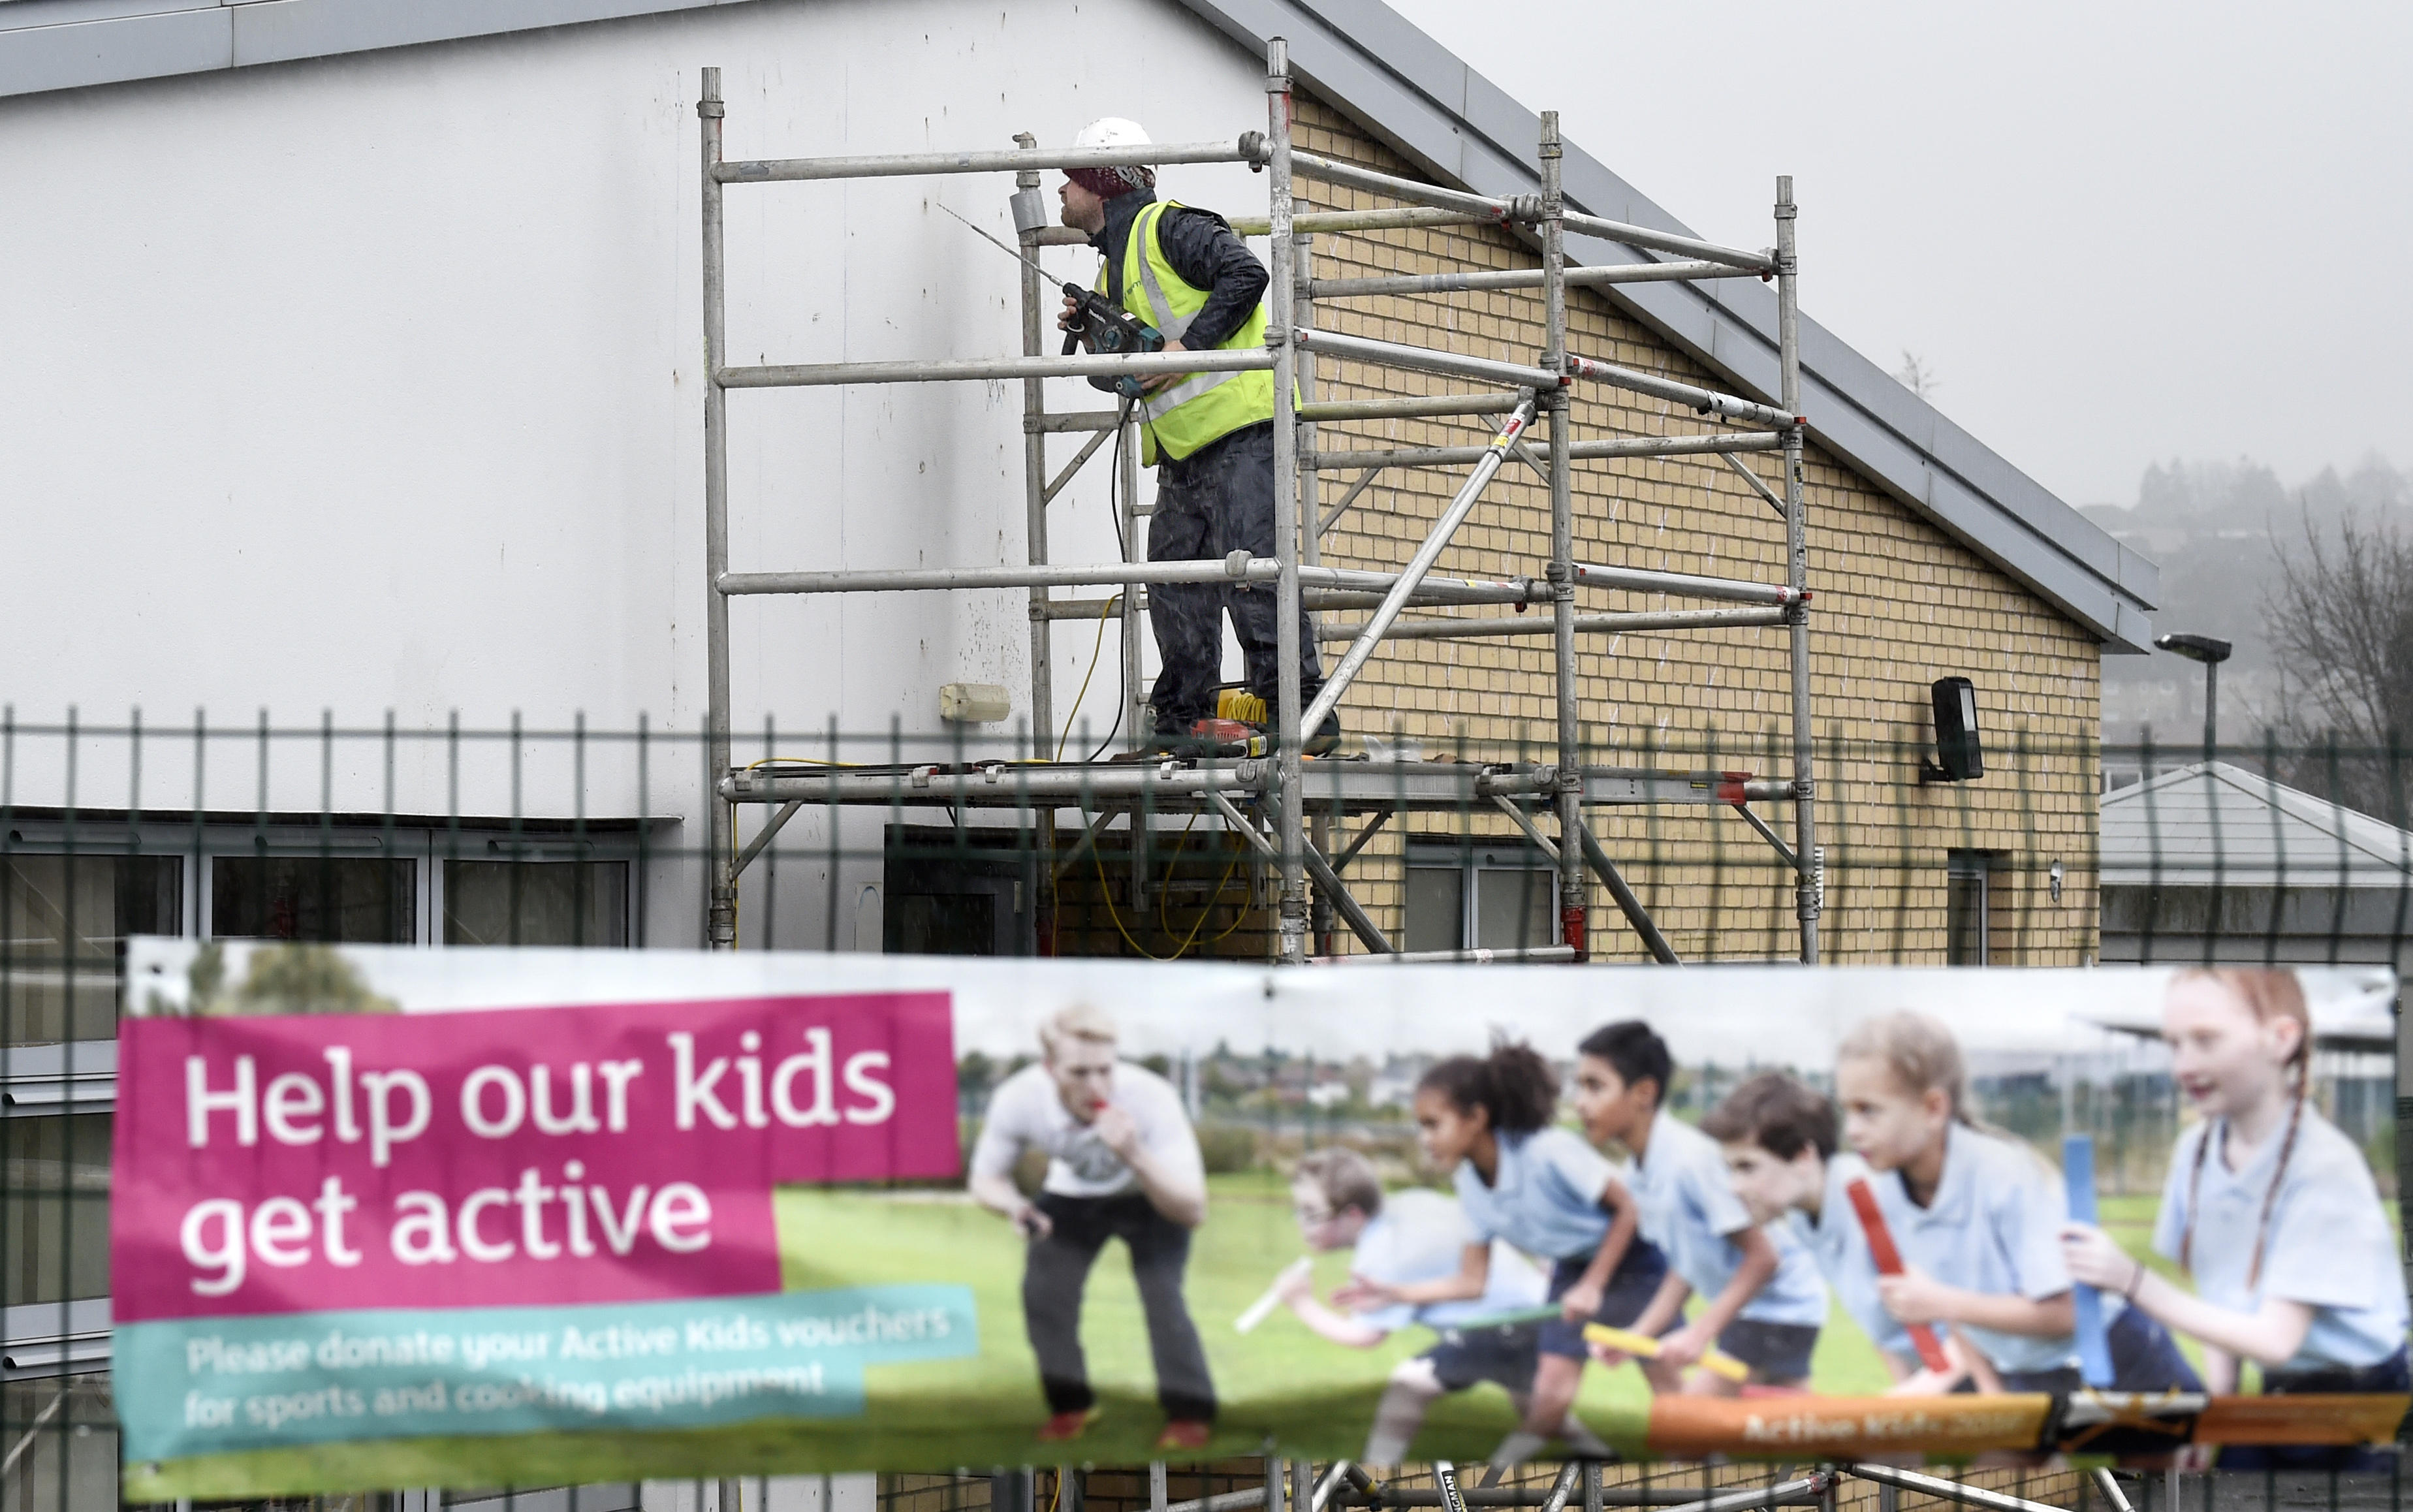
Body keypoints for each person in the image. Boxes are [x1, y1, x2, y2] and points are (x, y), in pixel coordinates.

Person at [1053, 117, 1334, 755]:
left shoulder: (1168, 228)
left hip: (1243, 432)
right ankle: (1182, 722)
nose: (1060, 190)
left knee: (1251, 574)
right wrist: (1097, 336)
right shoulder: (1111, 274)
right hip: (1187, 451)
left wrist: (1185, 349)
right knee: (1176, 577)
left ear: (1100, 183)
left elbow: (1246, 274)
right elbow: (1125, 382)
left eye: (1070, 177)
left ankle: (1304, 716)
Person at [2060, 969, 2408, 1471]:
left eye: (2205, 1039)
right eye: (2175, 1044)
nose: (2184, 1065)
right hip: (2278, 1396)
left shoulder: (2324, 1170)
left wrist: (2130, 1279)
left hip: (2366, 1411)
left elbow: (2274, 1339)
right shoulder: (2195, 1152)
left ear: (2282, 1039)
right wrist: (2215, 1406)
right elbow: (2221, 1294)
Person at [1835, 1011, 2198, 1398]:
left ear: (1933, 1109)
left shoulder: (2004, 1175)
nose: (1851, 1129)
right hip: (2027, 1372)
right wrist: (1992, 1392)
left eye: (1868, 1110)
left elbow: (2068, 1311)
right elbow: (1956, 1302)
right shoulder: (1885, 1189)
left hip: (2120, 1359)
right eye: (1847, 1110)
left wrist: (1938, 1301)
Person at [1337, 1039, 1658, 1466]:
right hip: (1574, 1272)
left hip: (1643, 1257)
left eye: (1433, 1124)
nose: (1424, 1138)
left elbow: (1629, 1209)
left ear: (1475, 1118)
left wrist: (1596, 1285)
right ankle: (1500, 1482)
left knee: (1673, 1388)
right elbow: (1471, 1282)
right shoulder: (1471, 1185)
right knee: (1548, 1406)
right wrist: (1395, 1294)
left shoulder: (1548, 1151)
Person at [966, 1002, 1215, 1451]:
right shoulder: (1019, 1098)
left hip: (1148, 1193)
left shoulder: (1151, 1097)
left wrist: (1135, 1153)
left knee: (1163, 1295)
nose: (1096, 1085)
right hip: (1072, 1195)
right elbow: (985, 1179)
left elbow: (1193, 1210)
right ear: (1050, 1068)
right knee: (1043, 1295)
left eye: (1105, 1069)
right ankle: (1071, 1406)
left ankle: (1189, 1415)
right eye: (1079, 1073)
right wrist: (1015, 1207)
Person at [1573, 1023, 1828, 1395]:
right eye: (1579, 1087)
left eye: (1595, 1086)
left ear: (1644, 1093)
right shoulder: (1638, 1173)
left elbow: (1763, 1257)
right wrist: (1636, 1336)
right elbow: (1687, 1264)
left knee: (1687, 1427)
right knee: (1793, 1428)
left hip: (1777, 1309)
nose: (1580, 1102)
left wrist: (1699, 1333)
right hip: (1768, 1313)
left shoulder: (1689, 1161)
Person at [1274, 1146, 1550, 1463]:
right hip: (1533, 1309)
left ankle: (1374, 1478)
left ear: (1353, 1215)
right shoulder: (1405, 1205)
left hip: (1510, 1319)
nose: (1302, 1224)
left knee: (1409, 1385)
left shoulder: (1383, 1251)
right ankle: (1594, 1452)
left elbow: (1364, 1337)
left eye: (1312, 1214)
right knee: (1536, 1407)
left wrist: (1301, 1304)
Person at [1705, 1069, 1959, 1388]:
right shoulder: (1803, 1216)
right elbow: (1884, 1321)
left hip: (1989, 1373)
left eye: (1747, 1167)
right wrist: (1905, 1390)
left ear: (1803, 1157)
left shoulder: (1875, 1197)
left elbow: (1972, 1305)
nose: (1734, 1187)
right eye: (1730, 1169)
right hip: (1940, 1379)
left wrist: (1927, 1390)